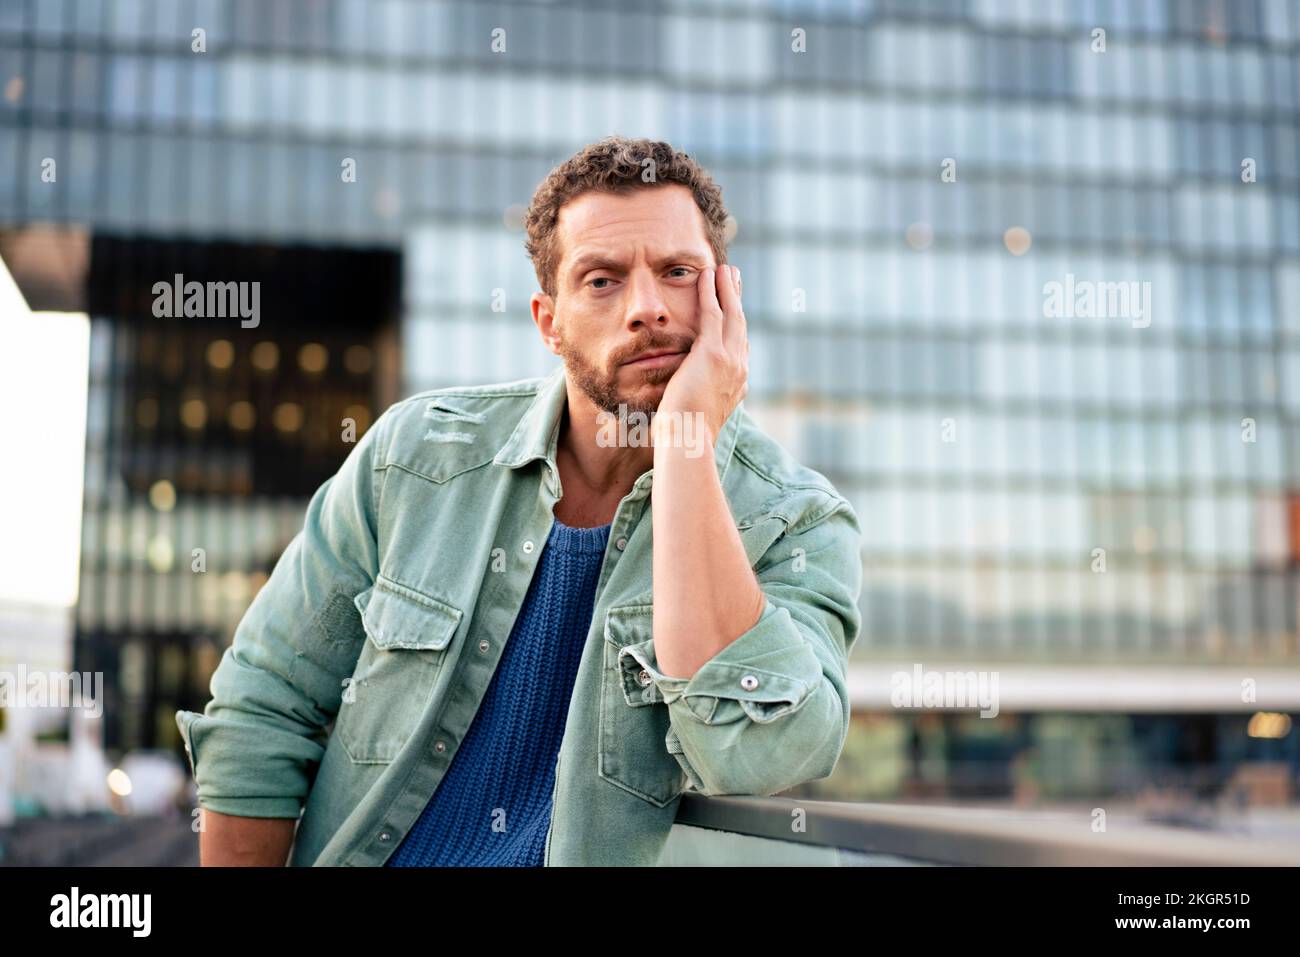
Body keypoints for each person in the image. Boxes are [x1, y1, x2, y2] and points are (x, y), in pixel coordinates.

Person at [176, 135, 863, 866]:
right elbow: (263, 707)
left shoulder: (797, 519)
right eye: (601, 280)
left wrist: (686, 444)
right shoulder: (414, 457)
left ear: (725, 295)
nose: (647, 309)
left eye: (678, 271)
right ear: (548, 321)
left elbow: (761, 754)